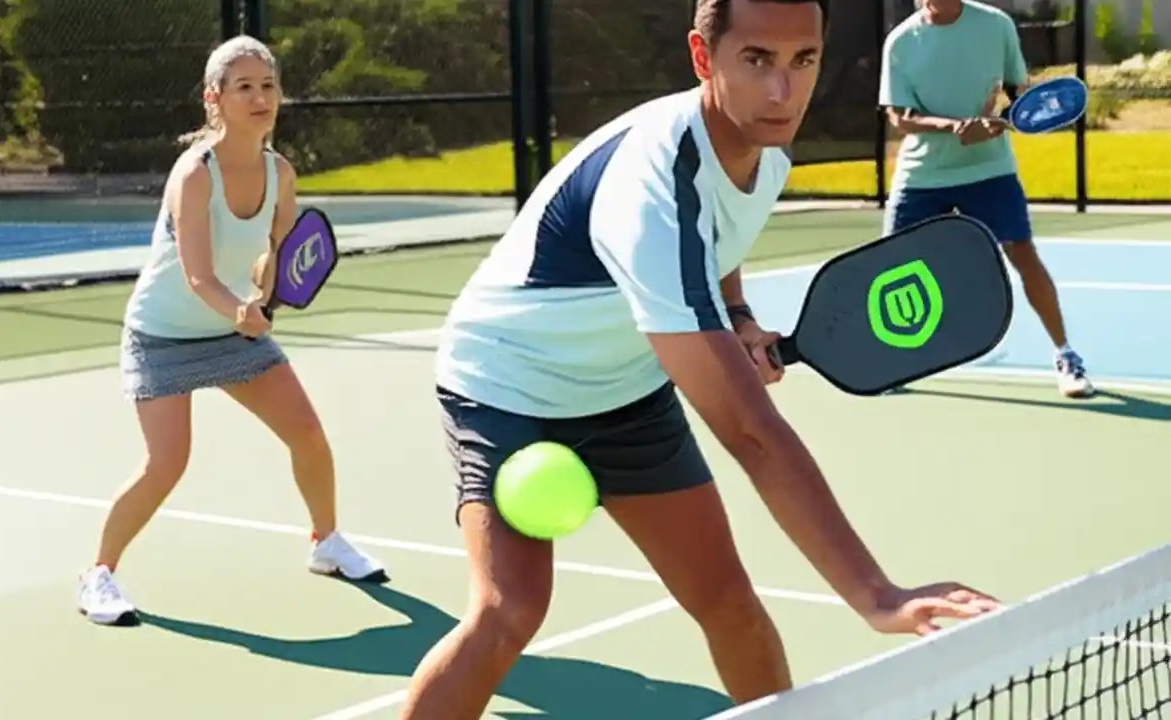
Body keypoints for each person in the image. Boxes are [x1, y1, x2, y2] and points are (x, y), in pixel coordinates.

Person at [401, 0, 1001, 716]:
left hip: (623, 386)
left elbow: (717, 248)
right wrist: (876, 594)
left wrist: (738, 318)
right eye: (756, 61)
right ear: (702, 57)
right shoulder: (653, 181)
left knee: (731, 605)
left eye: (802, 60)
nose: (784, 91)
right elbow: (749, 433)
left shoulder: (766, 151)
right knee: (510, 609)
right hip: (507, 380)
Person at [76, 36, 386, 627]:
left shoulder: (281, 173)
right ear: (214, 99)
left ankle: (326, 543)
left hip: (233, 332)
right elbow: (196, 273)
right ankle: (98, 574)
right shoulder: (195, 175)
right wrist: (241, 310)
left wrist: (263, 294)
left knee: (310, 436)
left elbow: (273, 253)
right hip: (163, 335)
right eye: (244, 87)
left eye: (268, 86)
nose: (260, 97)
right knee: (166, 464)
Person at [879, 0, 1095, 398]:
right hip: (923, 173)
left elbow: (1018, 89)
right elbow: (898, 115)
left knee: (1022, 253)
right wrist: (956, 126)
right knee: (889, 265)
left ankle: (1066, 355)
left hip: (989, 171)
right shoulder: (901, 41)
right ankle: (890, 359)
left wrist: (1012, 115)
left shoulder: (996, 26)